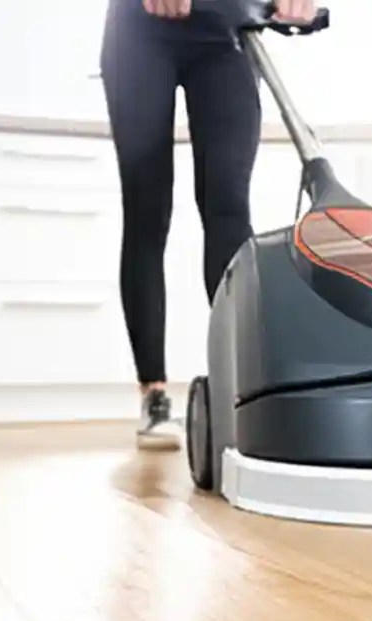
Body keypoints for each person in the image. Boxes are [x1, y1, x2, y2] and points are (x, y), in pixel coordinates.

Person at [100, 0, 318, 448]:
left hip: (226, 32)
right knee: (147, 207)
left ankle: (240, 390)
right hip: (140, 31)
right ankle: (155, 394)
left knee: (229, 207)